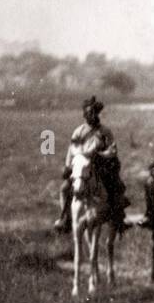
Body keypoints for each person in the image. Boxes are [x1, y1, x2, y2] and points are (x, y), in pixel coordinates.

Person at [53, 95, 129, 232]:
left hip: (101, 167)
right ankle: (65, 218)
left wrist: (100, 155)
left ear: (97, 114)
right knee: (64, 188)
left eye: (94, 113)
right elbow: (72, 150)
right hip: (80, 168)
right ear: (84, 114)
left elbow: (112, 150)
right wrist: (68, 166)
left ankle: (119, 218)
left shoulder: (105, 132)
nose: (91, 116)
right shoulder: (79, 132)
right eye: (88, 113)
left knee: (116, 186)